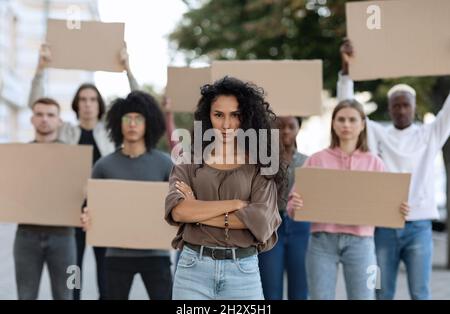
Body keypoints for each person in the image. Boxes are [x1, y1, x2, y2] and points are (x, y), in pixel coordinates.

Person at [338, 39, 450, 300]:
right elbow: (348, 107)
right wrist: (346, 70)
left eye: (405, 105)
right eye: (396, 105)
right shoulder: (377, 133)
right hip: (382, 229)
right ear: (389, 108)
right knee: (380, 290)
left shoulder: (429, 134)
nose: (401, 109)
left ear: (414, 107)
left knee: (421, 292)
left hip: (419, 227)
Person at [28, 43, 140, 300]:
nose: (87, 104)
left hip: (103, 208)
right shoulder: (66, 131)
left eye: (92, 99)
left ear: (98, 103)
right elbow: (37, 106)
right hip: (72, 209)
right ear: (77, 104)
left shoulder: (111, 132)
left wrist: (128, 69)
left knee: (104, 268)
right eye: (82, 99)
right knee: (73, 266)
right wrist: (41, 68)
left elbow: (139, 105)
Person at [165, 76, 286, 300]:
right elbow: (179, 211)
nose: (226, 125)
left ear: (247, 117)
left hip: (243, 271)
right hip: (192, 270)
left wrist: (197, 214)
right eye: (218, 115)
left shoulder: (261, 164)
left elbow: (261, 222)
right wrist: (236, 205)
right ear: (207, 117)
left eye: (235, 115)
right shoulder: (189, 161)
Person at [288, 99, 409, 300]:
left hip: (362, 242)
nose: (346, 125)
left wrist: (399, 209)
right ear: (333, 123)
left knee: (365, 297)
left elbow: (385, 205)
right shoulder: (316, 160)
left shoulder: (375, 163)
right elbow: (293, 206)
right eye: (341, 119)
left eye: (352, 120)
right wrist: (296, 206)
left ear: (362, 125)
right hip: (321, 242)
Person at [80, 91, 173, 300]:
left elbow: (178, 205)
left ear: (148, 122)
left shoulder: (165, 163)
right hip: (116, 256)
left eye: (138, 118)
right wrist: (88, 218)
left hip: (157, 254)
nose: (132, 124)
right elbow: (92, 208)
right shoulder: (104, 166)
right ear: (118, 123)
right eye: (127, 118)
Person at [14, 97, 76, 300]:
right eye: (39, 114)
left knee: (64, 296)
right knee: (25, 296)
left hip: (64, 237)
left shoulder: (73, 156)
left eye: (51, 115)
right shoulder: (19, 156)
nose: (44, 119)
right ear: (32, 119)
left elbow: (81, 194)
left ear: (59, 121)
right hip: (26, 235)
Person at [258, 116, 310, 300]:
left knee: (301, 289)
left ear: (298, 128)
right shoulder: (263, 162)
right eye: (280, 126)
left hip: (301, 226)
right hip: (272, 226)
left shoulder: (308, 162)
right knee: (270, 290)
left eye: (291, 126)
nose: (286, 131)